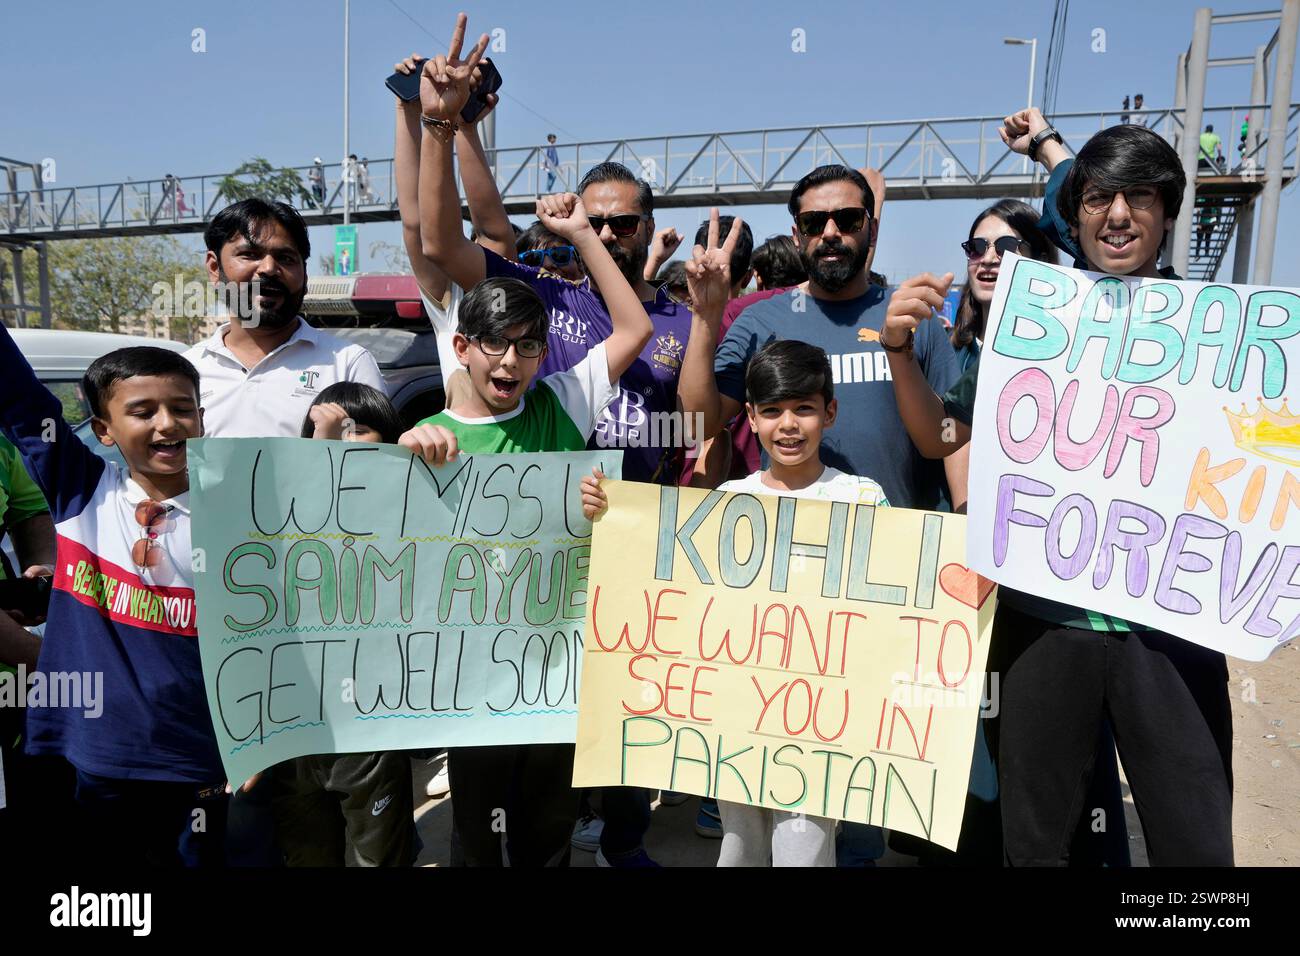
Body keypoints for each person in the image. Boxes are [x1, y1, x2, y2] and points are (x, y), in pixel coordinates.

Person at [882, 108, 1232, 866]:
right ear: (1075, 215)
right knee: (1036, 842)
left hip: (1174, 631)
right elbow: (944, 438)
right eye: (1098, 196)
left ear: (1168, 213)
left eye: (1140, 196)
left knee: (1195, 847)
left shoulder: (1224, 337)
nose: (1117, 214)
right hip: (1044, 626)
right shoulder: (1031, 325)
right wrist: (902, 354)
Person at [397, 188, 654, 867]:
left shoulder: (563, 404)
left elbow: (633, 331)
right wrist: (405, 459)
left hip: (558, 678)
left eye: (528, 347)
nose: (510, 363)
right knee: (477, 838)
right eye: (494, 346)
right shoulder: (429, 441)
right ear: (462, 348)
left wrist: (581, 234)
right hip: (472, 685)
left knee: (547, 834)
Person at [582, 340, 886, 866]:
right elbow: (664, 575)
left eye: (804, 409)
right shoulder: (725, 503)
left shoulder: (864, 499)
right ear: (751, 416)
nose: (788, 425)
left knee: (804, 845)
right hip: (737, 720)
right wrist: (611, 514)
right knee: (739, 840)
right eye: (771, 411)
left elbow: (898, 596)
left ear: (829, 412)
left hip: (821, 722)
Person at [0, 328, 238, 866]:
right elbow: (18, 396)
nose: (166, 423)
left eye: (182, 408)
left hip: (199, 759)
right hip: (97, 758)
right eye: (143, 410)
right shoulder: (79, 490)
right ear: (103, 429)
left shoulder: (240, 516)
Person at [264, 383, 420, 867]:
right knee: (308, 853)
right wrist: (321, 448)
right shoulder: (274, 511)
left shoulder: (403, 509)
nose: (345, 443)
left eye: (359, 431)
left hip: (369, 729)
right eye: (332, 434)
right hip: (294, 729)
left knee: (382, 853)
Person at [183, 198, 387, 438]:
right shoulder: (188, 370)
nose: (269, 268)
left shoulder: (348, 364)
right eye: (249, 254)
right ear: (215, 268)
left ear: (305, 274)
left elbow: (374, 465)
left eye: (286, 258)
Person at [391, 50, 516, 416]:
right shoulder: (456, 310)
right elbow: (418, 225)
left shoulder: (566, 316)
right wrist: (413, 111)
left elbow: (493, 233)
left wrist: (459, 123)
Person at [949, 199, 1058, 373]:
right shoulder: (946, 352)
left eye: (1007, 246)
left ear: (1040, 261)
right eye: (977, 247)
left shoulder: (1059, 358)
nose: (988, 259)